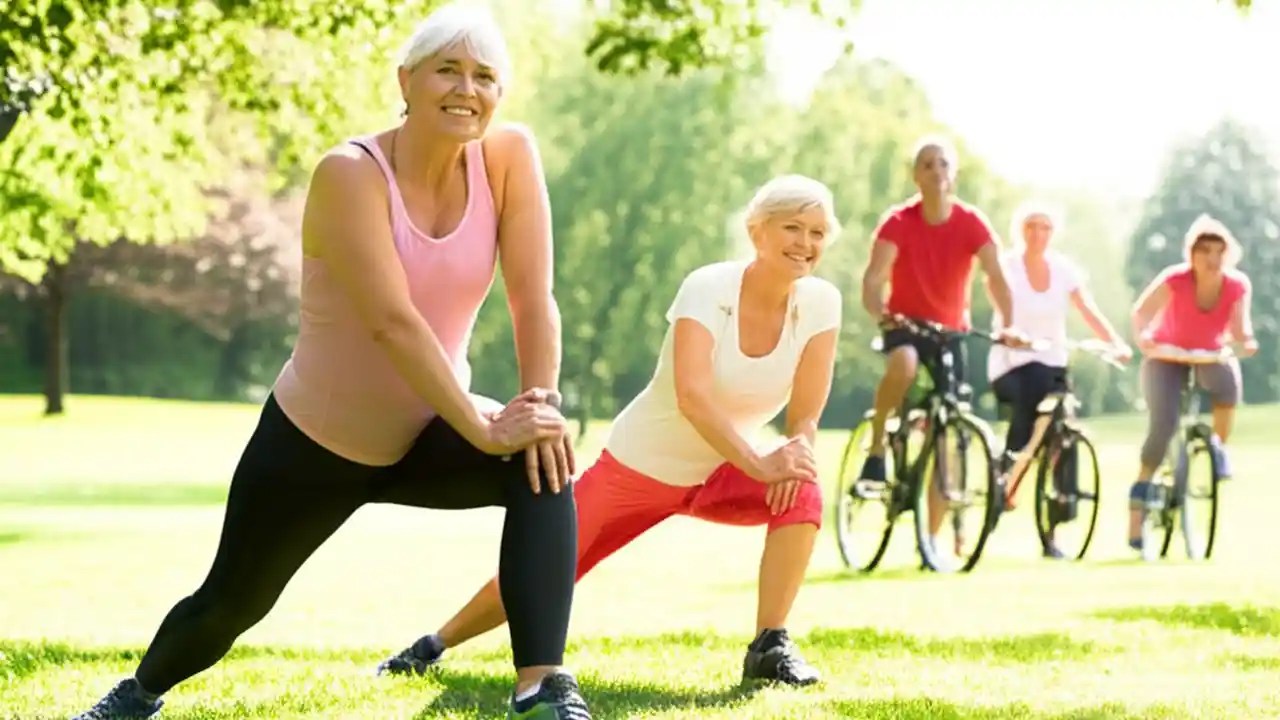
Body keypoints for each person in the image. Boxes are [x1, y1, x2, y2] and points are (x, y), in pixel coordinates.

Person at [73, 6, 593, 719]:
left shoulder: (507, 157)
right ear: (406, 80)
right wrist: (483, 429)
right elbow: (391, 322)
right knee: (228, 606)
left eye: (484, 76)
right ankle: (137, 695)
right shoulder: (350, 173)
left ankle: (540, 687)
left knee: (544, 464)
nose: (466, 88)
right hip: (316, 443)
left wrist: (537, 407)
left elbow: (534, 297)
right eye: (448, 69)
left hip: (428, 425)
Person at [376, 175, 844, 688]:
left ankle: (769, 645)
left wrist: (795, 456)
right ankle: (431, 646)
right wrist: (757, 463)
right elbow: (692, 397)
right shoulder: (709, 288)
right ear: (758, 232)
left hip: (721, 468)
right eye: (792, 227)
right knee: (547, 571)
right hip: (639, 467)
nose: (805, 243)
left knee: (803, 491)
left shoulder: (820, 303)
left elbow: (805, 412)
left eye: (818, 233)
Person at [856, 135, 1018, 495]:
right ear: (916, 176)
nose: (936, 171)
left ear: (954, 175)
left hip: (949, 333)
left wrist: (1008, 326)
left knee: (950, 427)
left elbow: (997, 279)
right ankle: (878, 446)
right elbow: (873, 279)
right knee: (905, 362)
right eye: (927, 165)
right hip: (905, 326)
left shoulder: (972, 223)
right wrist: (881, 314)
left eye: (943, 163)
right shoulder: (898, 221)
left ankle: (936, 536)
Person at [985, 201, 1131, 556]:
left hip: (1051, 362)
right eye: (1031, 226)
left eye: (1045, 227)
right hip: (1012, 362)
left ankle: (1056, 520)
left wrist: (1114, 342)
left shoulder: (1064, 270)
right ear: (1020, 231)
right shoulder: (1007, 268)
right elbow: (996, 296)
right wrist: (1009, 331)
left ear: (1053, 233)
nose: (1038, 234)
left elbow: (1086, 308)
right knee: (1032, 403)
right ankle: (1008, 475)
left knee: (1065, 430)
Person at [1127, 214, 1257, 551]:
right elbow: (1141, 312)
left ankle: (1217, 447)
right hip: (1166, 355)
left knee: (1227, 383)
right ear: (1192, 254)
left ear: (1227, 254)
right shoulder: (1175, 280)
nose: (1212, 259)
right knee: (1164, 425)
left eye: (1218, 252)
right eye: (1204, 251)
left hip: (1207, 355)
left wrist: (1247, 341)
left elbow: (1241, 328)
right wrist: (1143, 339)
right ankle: (1138, 506)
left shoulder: (1236, 285)